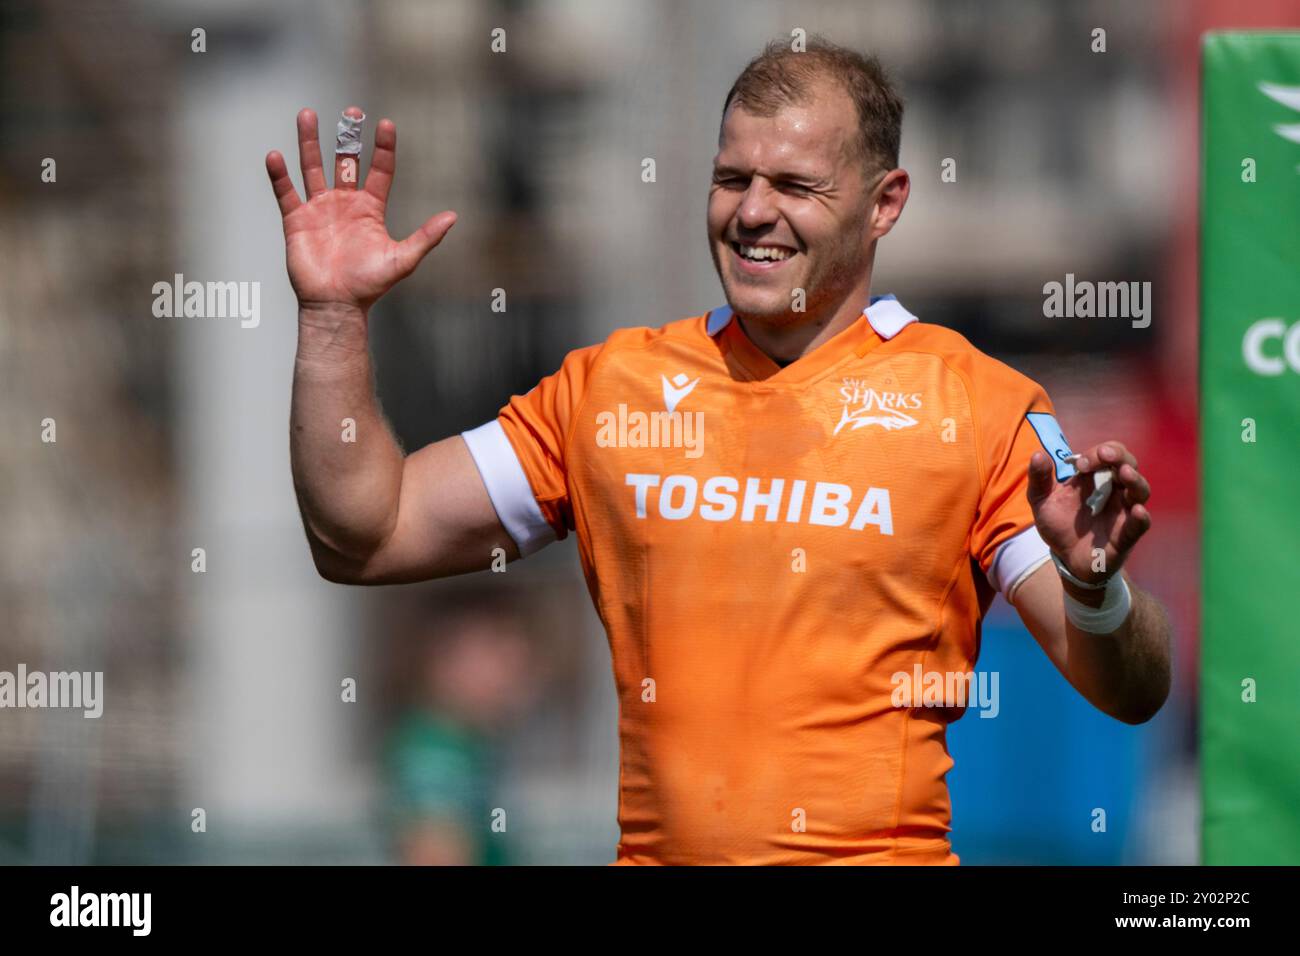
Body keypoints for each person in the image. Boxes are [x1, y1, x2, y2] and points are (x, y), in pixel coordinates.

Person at [265, 37, 1171, 865]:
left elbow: (1132, 689)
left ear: (884, 203)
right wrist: (334, 316)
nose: (754, 213)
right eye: (732, 178)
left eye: (796, 186)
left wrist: (1096, 589)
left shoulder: (979, 406)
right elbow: (365, 532)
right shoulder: (611, 390)